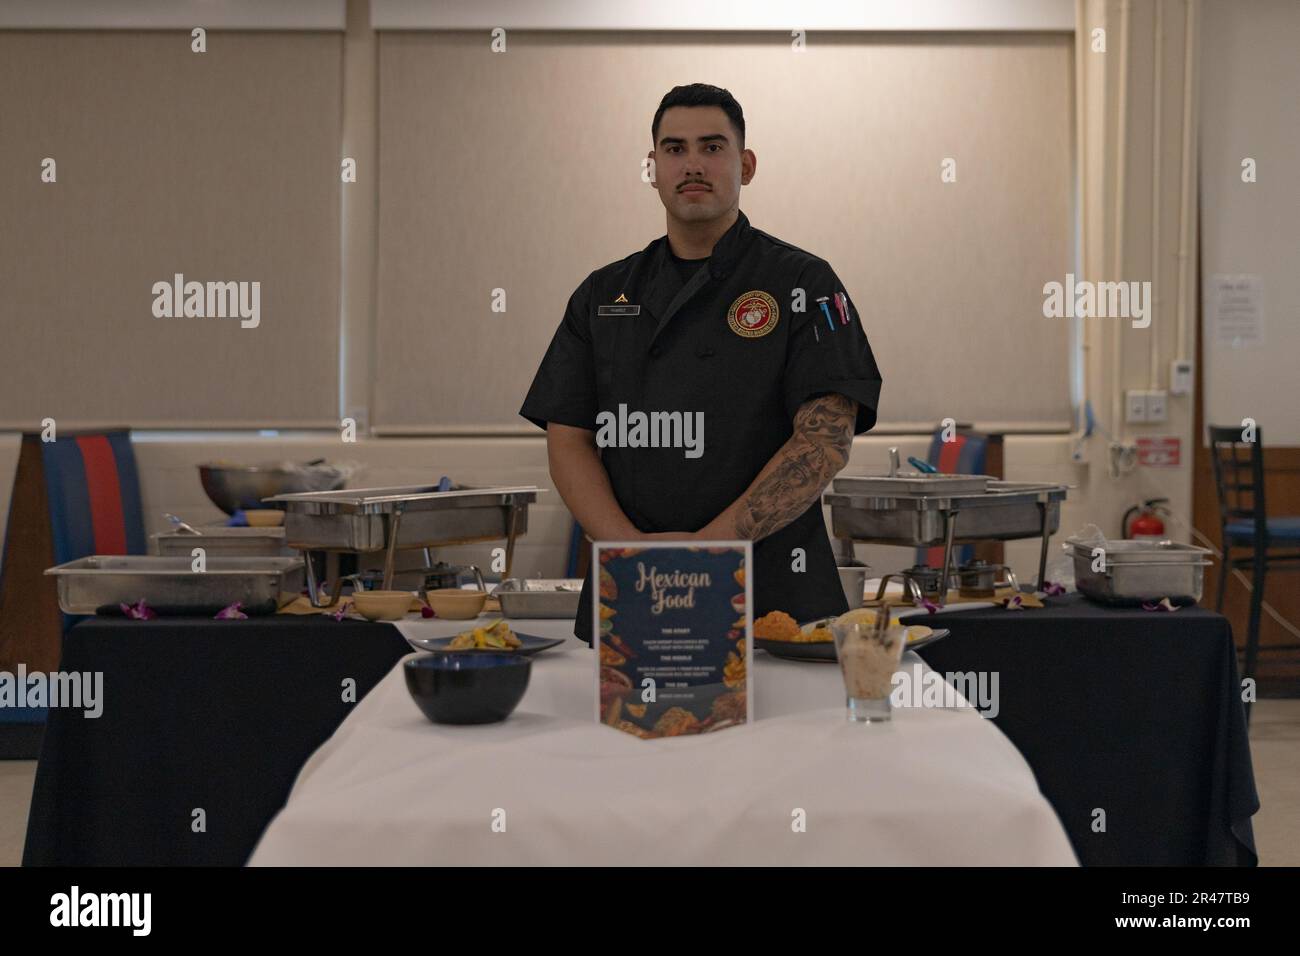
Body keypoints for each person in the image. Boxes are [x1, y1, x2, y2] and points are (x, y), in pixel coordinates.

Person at [520, 83, 882, 643]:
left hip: (771, 593)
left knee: (791, 732)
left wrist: (710, 549)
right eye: (674, 149)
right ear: (653, 167)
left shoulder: (805, 284)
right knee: (616, 732)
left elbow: (823, 442)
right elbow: (568, 437)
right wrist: (630, 549)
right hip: (632, 583)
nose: (693, 164)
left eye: (712, 148)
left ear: (746, 164)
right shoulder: (602, 294)